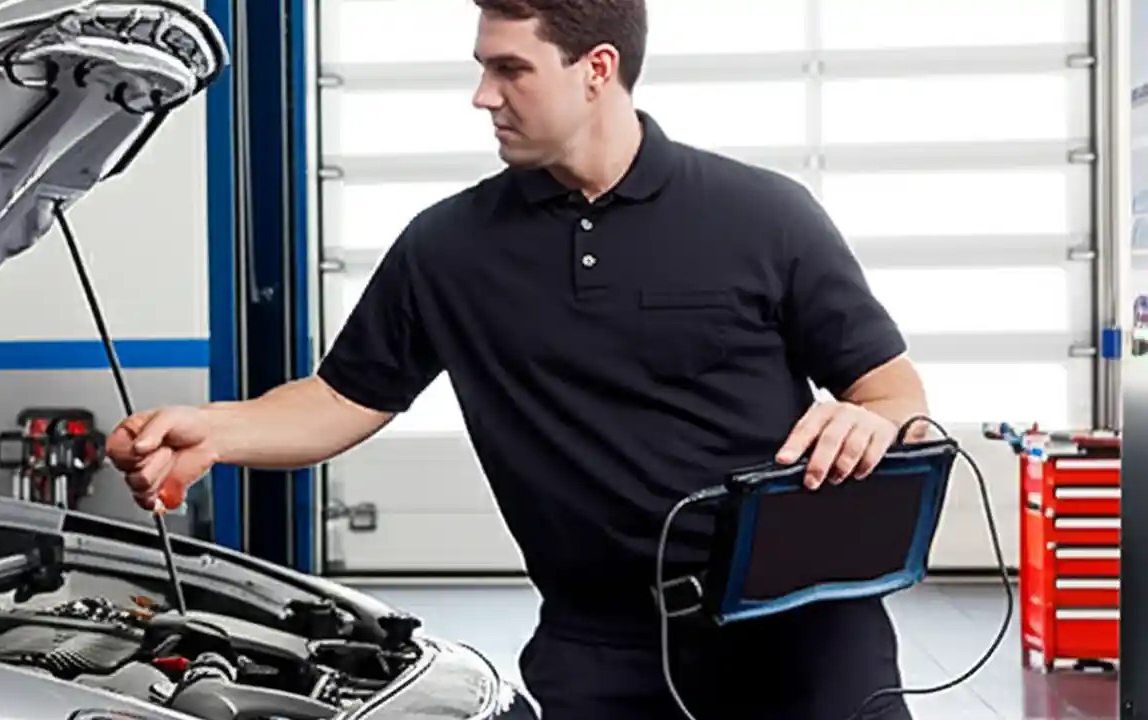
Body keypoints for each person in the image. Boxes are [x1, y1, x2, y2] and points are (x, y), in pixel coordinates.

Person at [107, 1, 930, 718]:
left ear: (596, 69)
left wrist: (870, 420)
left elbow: (894, 395)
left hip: (800, 638)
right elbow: (339, 397)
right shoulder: (448, 249)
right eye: (482, 67)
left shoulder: (764, 217)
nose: (482, 96)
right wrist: (211, 431)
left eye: (511, 69)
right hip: (596, 652)